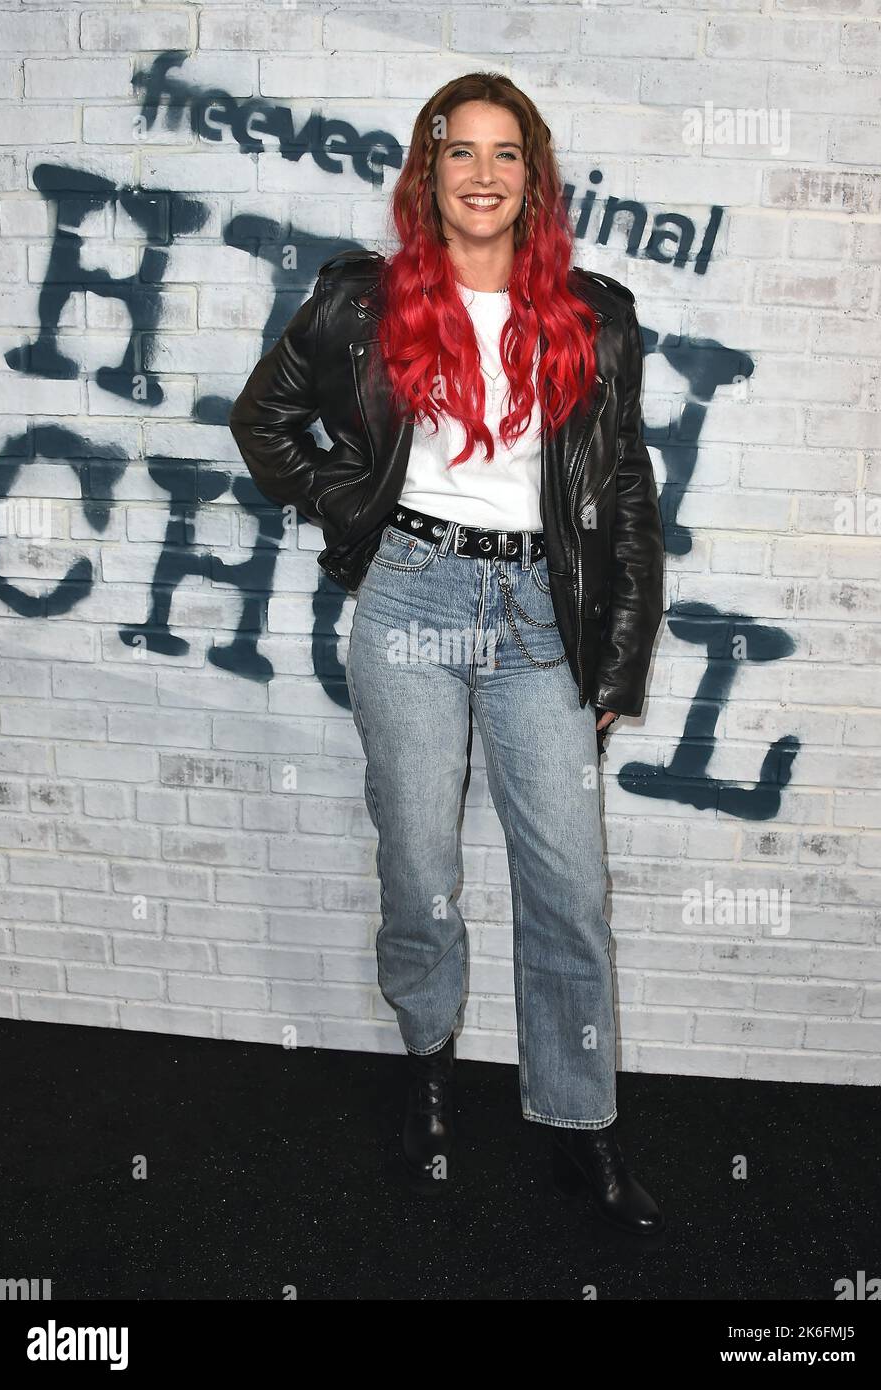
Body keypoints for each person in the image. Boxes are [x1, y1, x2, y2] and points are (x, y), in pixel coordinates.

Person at [230, 72, 666, 1236]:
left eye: (505, 153)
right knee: (420, 871)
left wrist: (616, 660)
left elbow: (623, 495)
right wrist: (348, 508)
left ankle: (580, 1126)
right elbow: (258, 421)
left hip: (540, 618)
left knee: (570, 888)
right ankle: (426, 1068)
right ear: (428, 175)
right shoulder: (360, 303)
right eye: (457, 152)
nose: (481, 174)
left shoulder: (594, 314)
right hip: (411, 595)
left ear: (535, 177)